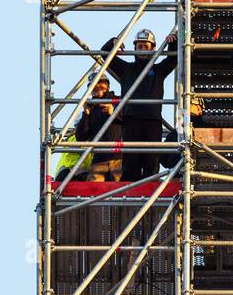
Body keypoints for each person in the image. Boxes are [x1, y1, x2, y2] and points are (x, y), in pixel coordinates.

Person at [99, 27, 178, 181]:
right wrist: (113, 42)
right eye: (139, 46)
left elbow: (173, 59)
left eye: (146, 46)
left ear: (153, 48)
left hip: (152, 122)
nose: (142, 49)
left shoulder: (158, 70)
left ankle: (151, 201)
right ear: (134, 48)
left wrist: (172, 43)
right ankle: (131, 202)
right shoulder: (126, 69)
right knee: (130, 165)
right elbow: (105, 55)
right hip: (131, 121)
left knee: (151, 164)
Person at [75, 75, 122, 182]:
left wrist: (114, 112)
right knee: (93, 191)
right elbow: (80, 137)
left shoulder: (119, 100)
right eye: (92, 85)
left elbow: (132, 122)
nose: (96, 86)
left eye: (100, 82)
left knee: (121, 192)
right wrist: (86, 115)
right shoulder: (91, 107)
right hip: (99, 159)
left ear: (108, 86)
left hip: (119, 158)